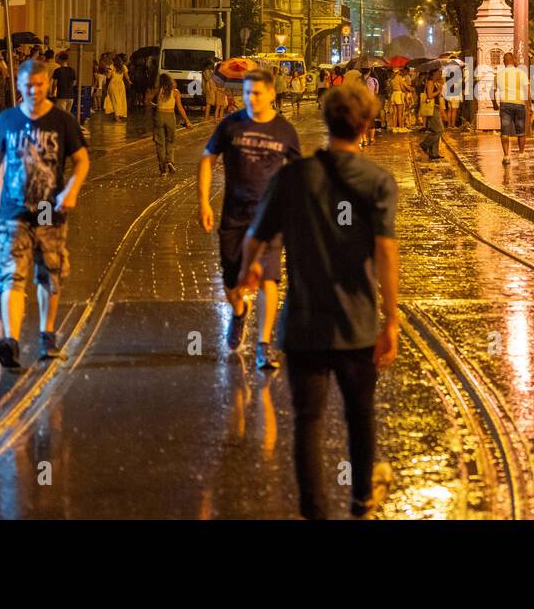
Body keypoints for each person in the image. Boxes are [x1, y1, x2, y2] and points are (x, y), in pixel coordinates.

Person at [238, 83, 397, 519]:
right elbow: (385, 254)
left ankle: (315, 512)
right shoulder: (378, 182)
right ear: (366, 126)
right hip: (358, 323)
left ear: (326, 121)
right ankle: (361, 499)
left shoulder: (293, 177)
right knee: (359, 416)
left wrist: (247, 270)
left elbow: (256, 236)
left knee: (308, 421)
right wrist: (392, 319)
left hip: (305, 322)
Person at [0, 58, 90, 367]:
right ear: (19, 86)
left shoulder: (62, 121)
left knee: (49, 273)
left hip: (48, 207)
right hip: (14, 209)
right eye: (29, 86)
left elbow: (82, 160)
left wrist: (71, 191)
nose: (34, 91)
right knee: (12, 276)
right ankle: (11, 341)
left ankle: (48, 338)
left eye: (40, 85)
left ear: (49, 85)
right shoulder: (7, 119)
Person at [198, 69, 301, 370]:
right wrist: (203, 201)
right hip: (234, 216)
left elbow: (299, 173)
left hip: (269, 219)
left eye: (256, 93)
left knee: (269, 277)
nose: (251, 99)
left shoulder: (285, 130)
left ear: (271, 93)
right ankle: (239, 312)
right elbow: (207, 158)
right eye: (246, 94)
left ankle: (263, 345)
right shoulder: (231, 125)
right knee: (231, 281)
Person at [153, 73, 192, 175]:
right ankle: (169, 161)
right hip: (170, 116)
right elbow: (180, 108)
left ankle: (162, 170)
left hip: (159, 116)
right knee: (170, 141)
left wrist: (155, 104)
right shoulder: (175, 92)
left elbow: (147, 101)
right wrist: (187, 121)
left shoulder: (158, 90)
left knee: (160, 143)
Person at [495, 51, 530, 166]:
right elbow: (526, 90)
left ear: (504, 62)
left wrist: (495, 104)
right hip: (519, 103)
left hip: (505, 104)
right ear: (514, 60)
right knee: (521, 130)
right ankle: (521, 152)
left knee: (505, 131)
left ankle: (506, 156)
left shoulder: (499, 74)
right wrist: (529, 106)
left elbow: (494, 90)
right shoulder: (521, 73)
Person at [51, 51, 77, 117]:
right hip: (71, 96)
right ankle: (67, 126)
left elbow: (54, 83)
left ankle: (63, 127)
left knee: (61, 115)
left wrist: (52, 92)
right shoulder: (72, 70)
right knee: (67, 115)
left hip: (61, 95)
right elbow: (74, 83)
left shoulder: (57, 70)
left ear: (60, 59)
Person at [106, 53, 129, 121]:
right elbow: (126, 75)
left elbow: (108, 76)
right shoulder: (123, 67)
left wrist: (108, 71)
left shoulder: (112, 66)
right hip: (121, 85)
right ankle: (117, 115)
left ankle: (116, 115)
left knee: (114, 100)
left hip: (113, 84)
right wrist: (129, 81)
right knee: (120, 100)